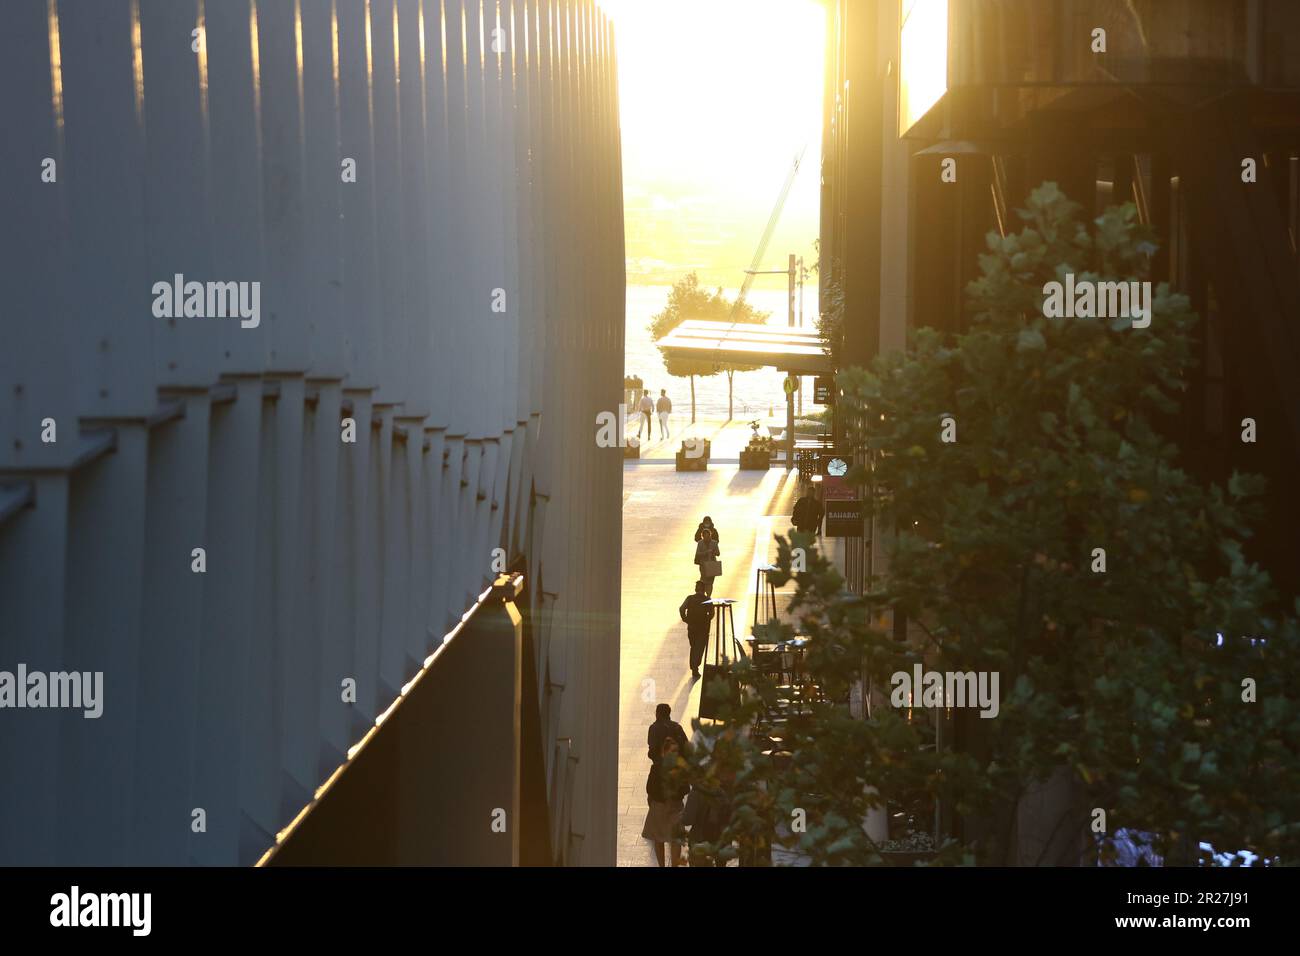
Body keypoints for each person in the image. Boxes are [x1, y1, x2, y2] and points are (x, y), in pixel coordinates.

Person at [641, 736, 689, 866]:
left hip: (672, 807)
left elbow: (686, 788)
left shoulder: (677, 769)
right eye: (672, 751)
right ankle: (662, 865)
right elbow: (650, 787)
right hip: (661, 807)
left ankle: (674, 865)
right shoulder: (657, 768)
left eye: (676, 751)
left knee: (674, 839)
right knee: (659, 838)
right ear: (664, 752)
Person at [679, 581, 714, 679]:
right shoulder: (707, 600)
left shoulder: (690, 598)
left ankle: (694, 667)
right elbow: (712, 613)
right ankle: (695, 666)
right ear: (704, 590)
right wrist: (706, 620)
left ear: (696, 589)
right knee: (699, 648)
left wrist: (686, 619)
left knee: (693, 647)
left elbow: (682, 609)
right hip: (702, 628)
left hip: (692, 628)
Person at [694, 527, 720, 597]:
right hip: (703, 565)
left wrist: (713, 552)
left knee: (710, 582)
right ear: (702, 536)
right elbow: (698, 554)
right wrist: (705, 552)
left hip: (712, 565)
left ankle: (709, 596)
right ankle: (703, 595)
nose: (706, 537)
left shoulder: (714, 543)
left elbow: (718, 553)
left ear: (710, 535)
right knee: (703, 581)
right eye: (704, 536)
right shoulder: (700, 543)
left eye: (708, 536)